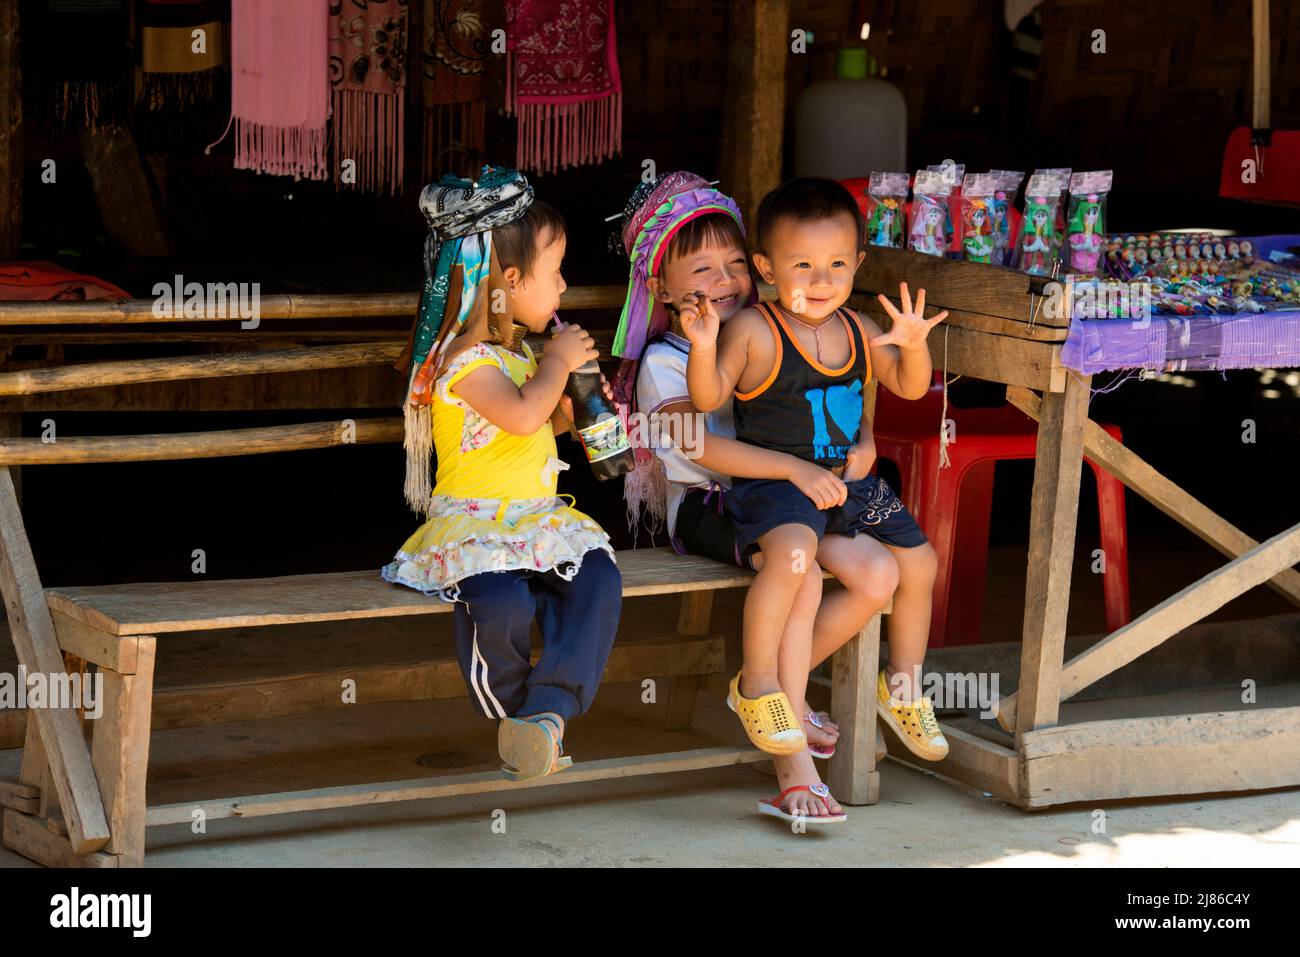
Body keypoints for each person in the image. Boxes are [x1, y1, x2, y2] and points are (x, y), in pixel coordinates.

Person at [611, 172, 896, 823]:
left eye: (735, 263)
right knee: (801, 573)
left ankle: (768, 690)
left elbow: (841, 402)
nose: (725, 280)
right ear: (662, 288)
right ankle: (791, 757)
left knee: (879, 571)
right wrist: (795, 470)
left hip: (791, 496)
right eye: (703, 269)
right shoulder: (665, 363)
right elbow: (701, 453)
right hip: (714, 505)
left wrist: (862, 443)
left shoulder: (770, 332)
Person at [684, 177, 952, 785]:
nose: (821, 279)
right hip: (778, 488)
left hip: (844, 487)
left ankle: (903, 687)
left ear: (858, 263)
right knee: (796, 557)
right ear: (767, 268)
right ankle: (757, 686)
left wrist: (912, 346)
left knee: (919, 563)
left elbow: (910, 387)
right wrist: (703, 345)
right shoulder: (752, 328)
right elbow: (705, 398)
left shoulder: (858, 328)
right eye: (802, 264)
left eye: (836, 264)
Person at [382, 166, 621, 782]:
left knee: (598, 577)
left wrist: (571, 411)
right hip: (477, 528)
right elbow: (517, 416)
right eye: (557, 271)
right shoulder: (463, 361)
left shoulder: (518, 354)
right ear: (510, 280)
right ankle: (515, 714)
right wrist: (558, 367)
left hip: (537, 522)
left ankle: (547, 712)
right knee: (503, 601)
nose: (565, 285)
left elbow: (535, 425)